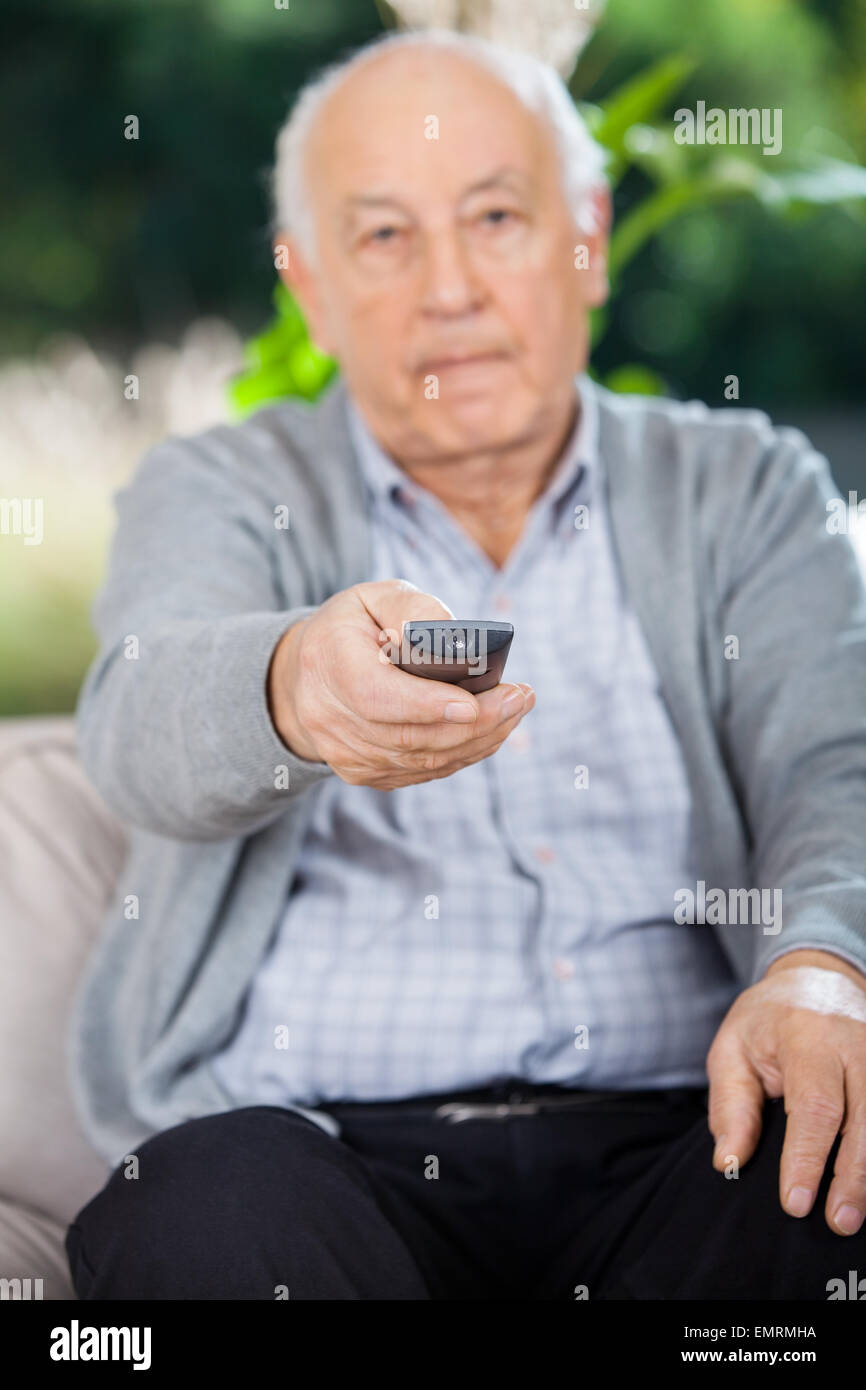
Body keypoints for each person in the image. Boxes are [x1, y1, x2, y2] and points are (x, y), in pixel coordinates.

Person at [65, 29, 866, 1300]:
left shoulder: (745, 487)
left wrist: (818, 966)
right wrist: (291, 686)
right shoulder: (221, 487)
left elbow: (833, 767)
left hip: (687, 1134)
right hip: (324, 1158)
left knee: (829, 1190)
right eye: (382, 237)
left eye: (494, 216)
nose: (448, 289)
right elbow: (136, 720)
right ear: (310, 285)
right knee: (198, 1220)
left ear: (586, 238)